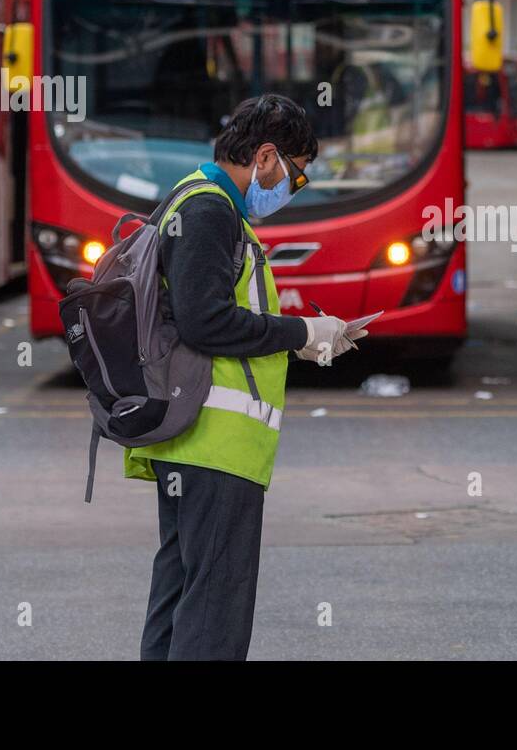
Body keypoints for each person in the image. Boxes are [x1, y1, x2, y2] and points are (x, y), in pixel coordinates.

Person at [127, 93, 364, 660]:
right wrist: (302, 333)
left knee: (182, 591)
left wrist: (305, 341)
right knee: (214, 610)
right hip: (216, 443)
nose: (292, 189)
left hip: (193, 438)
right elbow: (206, 321)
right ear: (264, 157)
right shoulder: (210, 211)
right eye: (296, 175)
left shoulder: (192, 197)